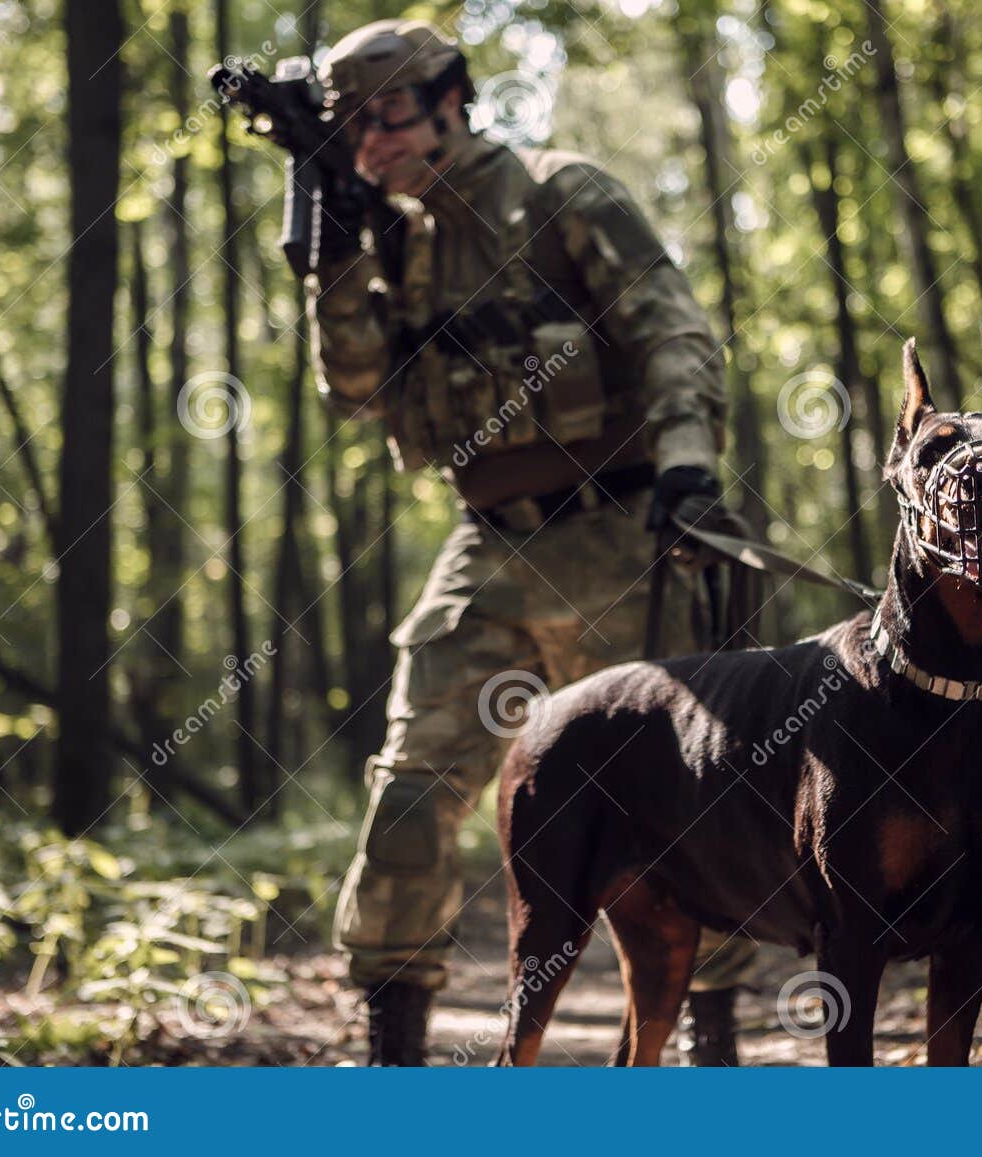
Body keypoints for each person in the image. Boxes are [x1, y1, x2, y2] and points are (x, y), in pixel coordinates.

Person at [306, 18, 756, 1065]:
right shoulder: (392, 241)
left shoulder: (563, 194)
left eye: (388, 119)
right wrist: (330, 263)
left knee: (684, 805)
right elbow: (358, 388)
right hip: (487, 549)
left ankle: (712, 1050)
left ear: (451, 100)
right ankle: (391, 1054)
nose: (371, 146)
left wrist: (689, 467)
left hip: (621, 533)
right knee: (410, 793)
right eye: (352, 133)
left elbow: (671, 329)